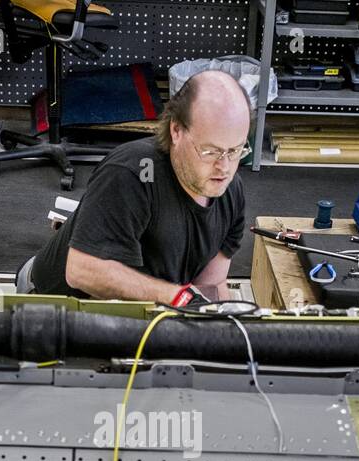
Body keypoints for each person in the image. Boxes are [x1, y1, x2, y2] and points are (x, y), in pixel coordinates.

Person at [26, 69, 251, 304]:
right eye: (210, 151)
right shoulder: (134, 173)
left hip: (140, 310)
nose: (224, 167)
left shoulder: (231, 192)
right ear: (176, 130)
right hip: (50, 305)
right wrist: (175, 297)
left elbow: (211, 285)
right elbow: (82, 271)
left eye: (235, 150)